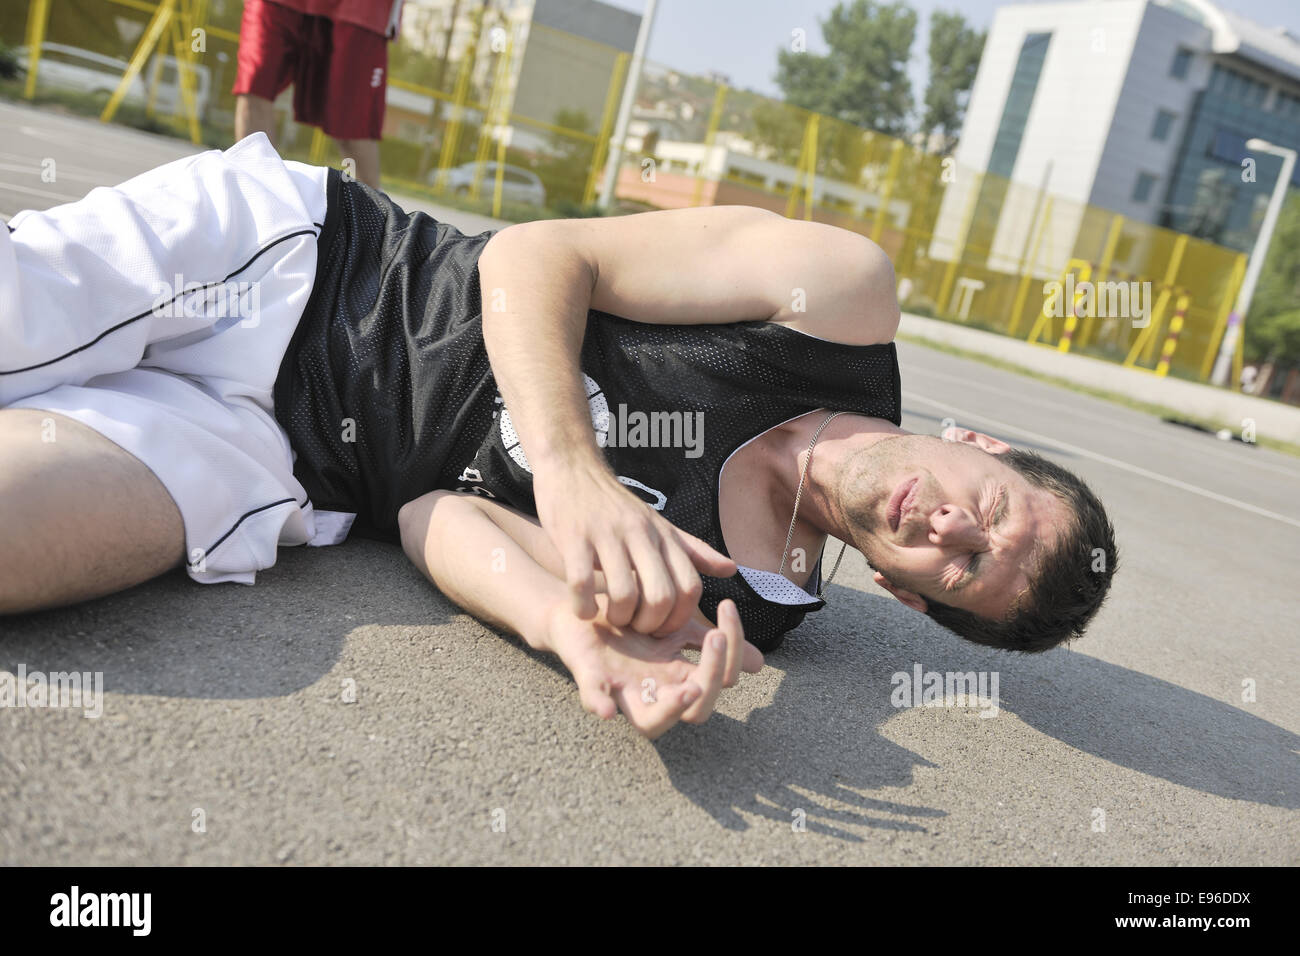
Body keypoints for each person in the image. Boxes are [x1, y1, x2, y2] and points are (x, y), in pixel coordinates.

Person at [0, 136, 1118, 738]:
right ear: (983, 441)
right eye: (996, 512)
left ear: (907, 594)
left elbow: (433, 513)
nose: (955, 529)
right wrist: (576, 472)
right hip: (304, 269)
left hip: (286, 465)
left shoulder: (743, 605)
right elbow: (532, 255)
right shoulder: (834, 300)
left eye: (963, 570)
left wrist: (572, 631)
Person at [232, 0, 404, 189]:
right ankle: (261, 201)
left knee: (353, 131)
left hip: (360, 7)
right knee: (254, 90)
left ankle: (372, 217)